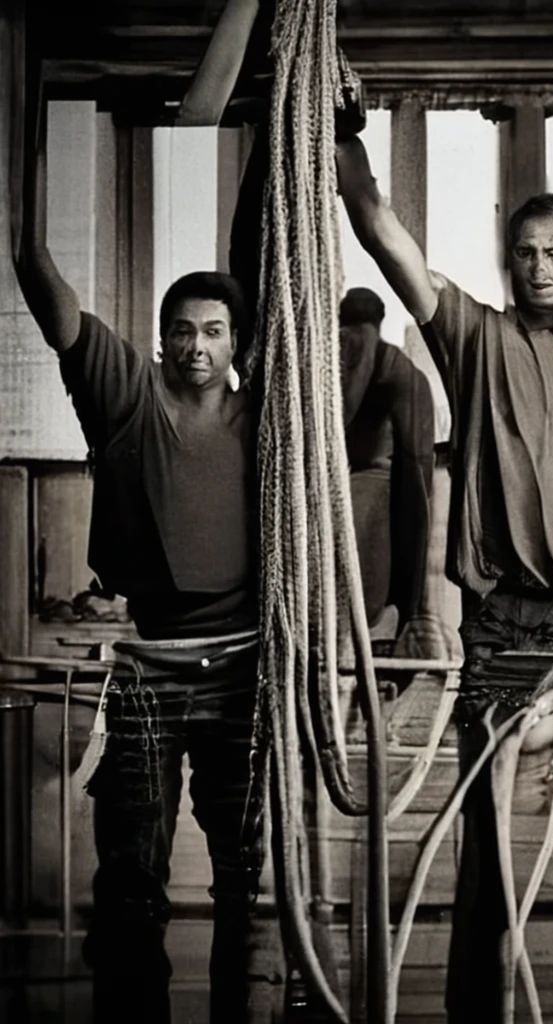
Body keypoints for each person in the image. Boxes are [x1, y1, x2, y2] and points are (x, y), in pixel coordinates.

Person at [335, 137, 553, 1024]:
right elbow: (384, 234)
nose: (541, 268)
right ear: (510, 259)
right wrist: (342, 138)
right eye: (526, 252)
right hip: (508, 628)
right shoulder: (475, 339)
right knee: (484, 860)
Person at [12, 100, 262, 1023]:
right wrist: (24, 227)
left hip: (241, 671)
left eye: (214, 331)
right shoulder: (127, 394)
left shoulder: (262, 413)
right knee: (130, 876)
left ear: (236, 344)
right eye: (183, 330)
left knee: (246, 874)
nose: (197, 345)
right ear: (162, 338)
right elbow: (52, 299)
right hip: (151, 667)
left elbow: (269, 254)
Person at [339, 286, 435, 635]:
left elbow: (417, 478)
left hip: (383, 484)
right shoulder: (346, 363)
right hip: (359, 483)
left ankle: (404, 616)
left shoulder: (402, 375)